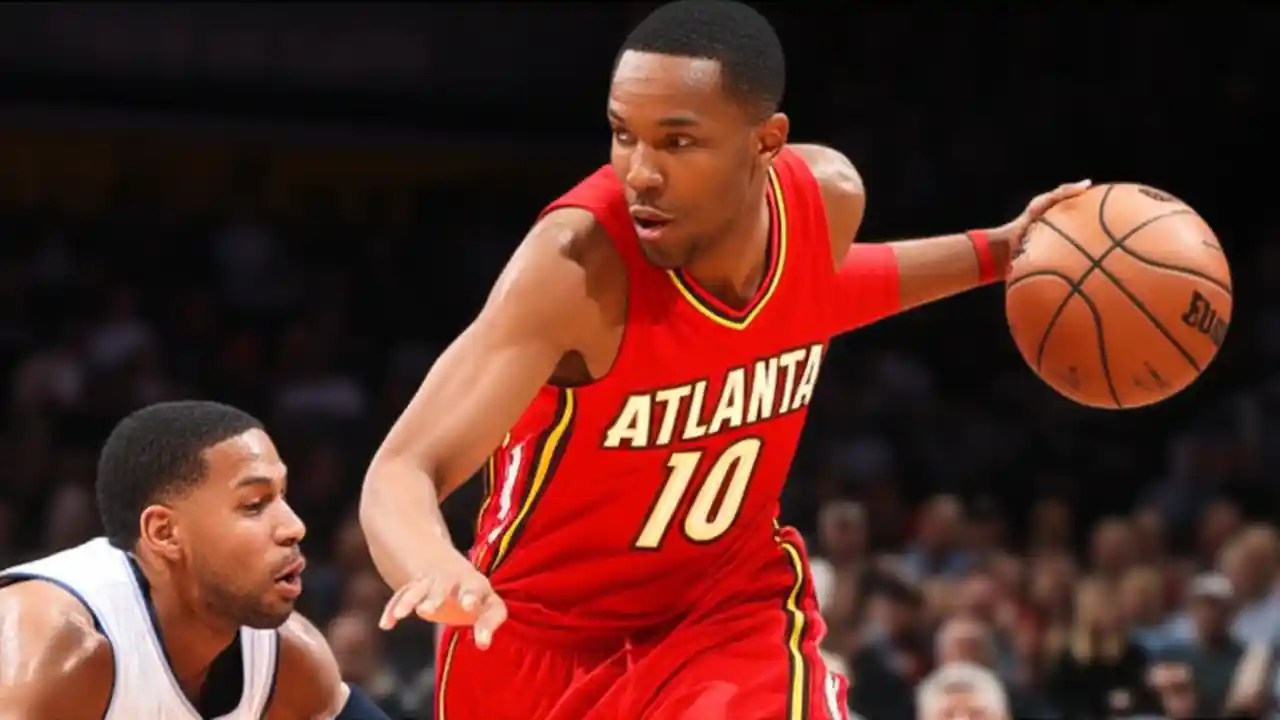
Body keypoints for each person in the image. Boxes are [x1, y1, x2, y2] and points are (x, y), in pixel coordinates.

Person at [359, 1, 1089, 718]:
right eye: (622, 135)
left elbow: (819, 293)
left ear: (766, 142)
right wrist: (435, 567)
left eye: (676, 142)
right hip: (537, 642)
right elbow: (402, 469)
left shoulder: (825, 203)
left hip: (727, 614)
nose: (639, 172)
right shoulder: (576, 268)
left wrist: (997, 252)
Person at [0, 401, 389, 719]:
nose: (294, 527)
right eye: (254, 505)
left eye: (283, 497)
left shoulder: (288, 659)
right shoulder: (53, 649)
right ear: (164, 532)